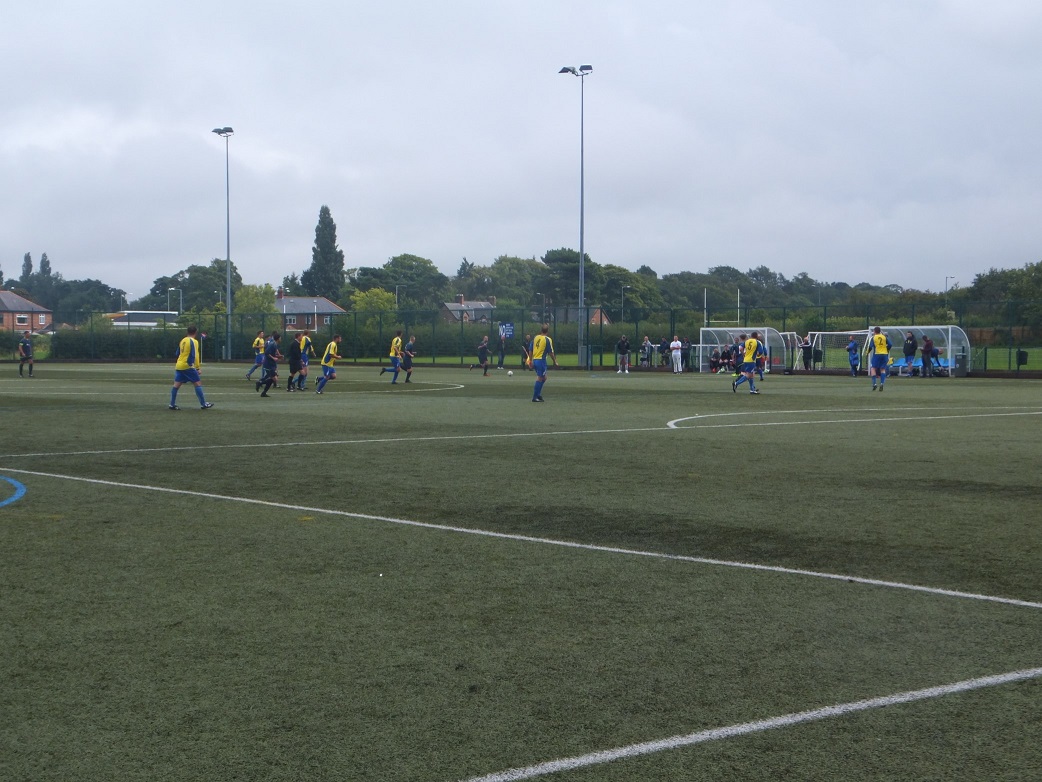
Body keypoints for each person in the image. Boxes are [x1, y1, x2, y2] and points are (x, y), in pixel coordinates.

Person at [169, 325, 213, 410]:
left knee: (176, 385)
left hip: (179, 365)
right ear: (195, 332)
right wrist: (197, 368)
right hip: (188, 366)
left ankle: (172, 404)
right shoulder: (194, 341)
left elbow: (177, 353)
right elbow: (195, 355)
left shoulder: (183, 340)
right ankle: (203, 404)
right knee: (197, 384)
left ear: (187, 332)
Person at [530, 324, 558, 402]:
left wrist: (530, 361)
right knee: (540, 378)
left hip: (535, 360)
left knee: (544, 377)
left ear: (541, 330)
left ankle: (538, 395)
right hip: (541, 361)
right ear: (547, 331)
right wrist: (555, 361)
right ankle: (535, 397)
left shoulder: (536, 338)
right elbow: (551, 352)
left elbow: (530, 349)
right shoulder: (547, 339)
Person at [257, 331, 283, 397]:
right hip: (268, 364)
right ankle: (260, 383)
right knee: (274, 379)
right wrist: (274, 358)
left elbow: (271, 354)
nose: (281, 339)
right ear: (278, 338)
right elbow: (266, 352)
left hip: (271, 364)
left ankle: (263, 392)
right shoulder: (273, 344)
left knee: (273, 379)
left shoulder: (274, 344)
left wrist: (278, 356)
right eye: (280, 338)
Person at [867, 326, 892, 391]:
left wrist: (867, 353)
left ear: (874, 331)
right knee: (882, 369)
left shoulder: (874, 337)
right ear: (880, 331)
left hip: (877, 354)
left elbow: (870, 346)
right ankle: (882, 383)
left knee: (873, 368)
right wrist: (887, 349)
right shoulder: (884, 337)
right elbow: (890, 344)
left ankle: (874, 384)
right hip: (885, 354)